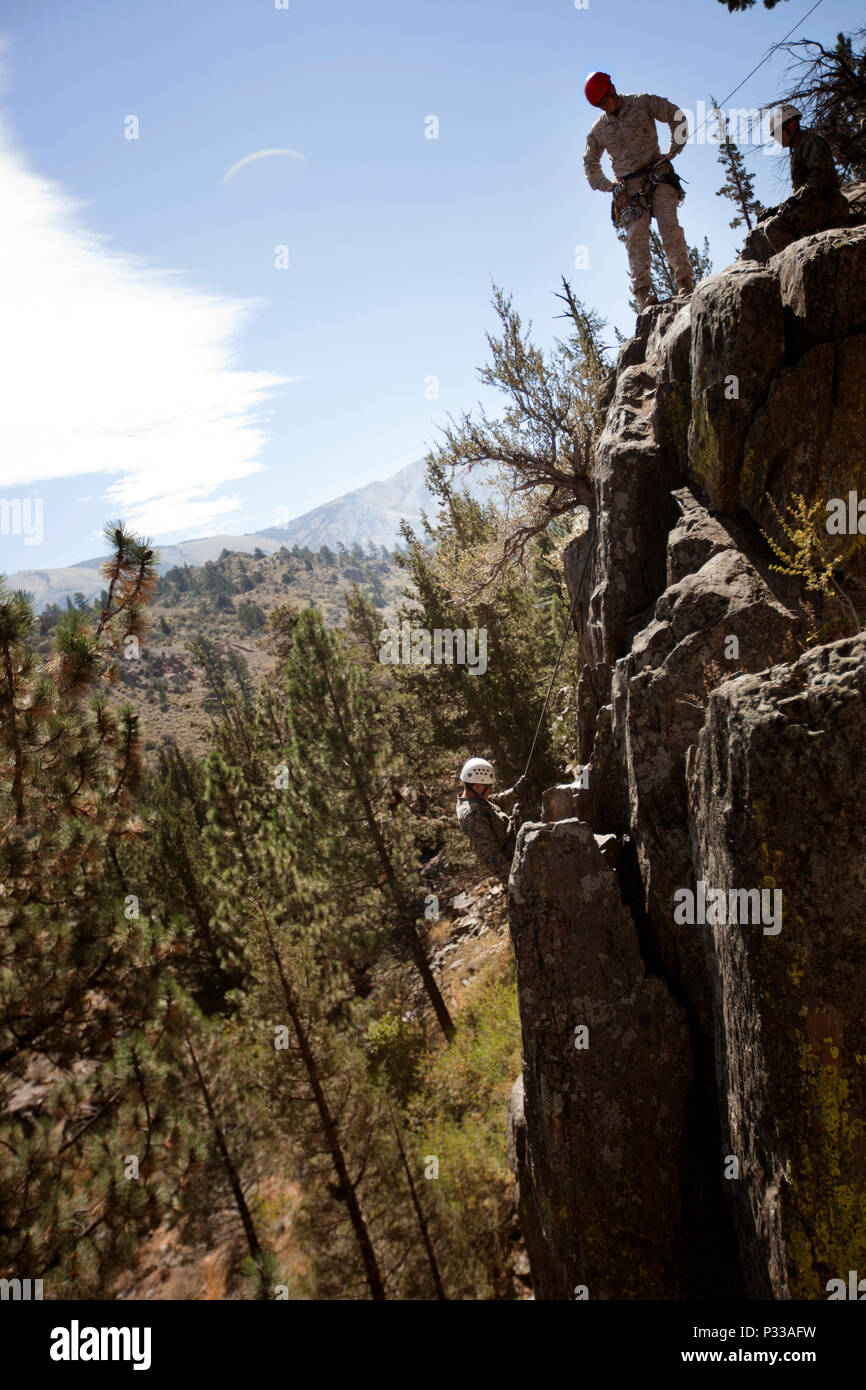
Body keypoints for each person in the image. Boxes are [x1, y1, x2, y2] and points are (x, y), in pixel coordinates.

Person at [583, 71, 695, 312]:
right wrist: (607, 184)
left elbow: (676, 116)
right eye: (599, 105)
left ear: (612, 90)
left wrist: (674, 148)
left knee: (669, 225)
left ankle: (685, 282)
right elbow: (590, 163)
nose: (604, 107)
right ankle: (643, 296)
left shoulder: (642, 102)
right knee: (635, 238)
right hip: (628, 188)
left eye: (605, 100)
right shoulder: (598, 130)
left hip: (658, 172)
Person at [740, 105, 850, 262]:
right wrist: (778, 208)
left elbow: (821, 176)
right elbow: (804, 192)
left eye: (778, 132)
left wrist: (795, 200)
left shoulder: (810, 142)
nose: (776, 138)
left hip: (828, 203)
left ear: (792, 124)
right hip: (818, 204)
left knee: (775, 227)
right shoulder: (799, 147)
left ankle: (802, 264)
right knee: (776, 219)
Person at [455, 758, 528, 884]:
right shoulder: (473, 814)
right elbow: (490, 855)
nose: (491, 789)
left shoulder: (475, 799)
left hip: (516, 841)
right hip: (514, 855)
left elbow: (495, 802)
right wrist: (514, 882)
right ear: (477, 786)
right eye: (489, 786)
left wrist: (514, 792)